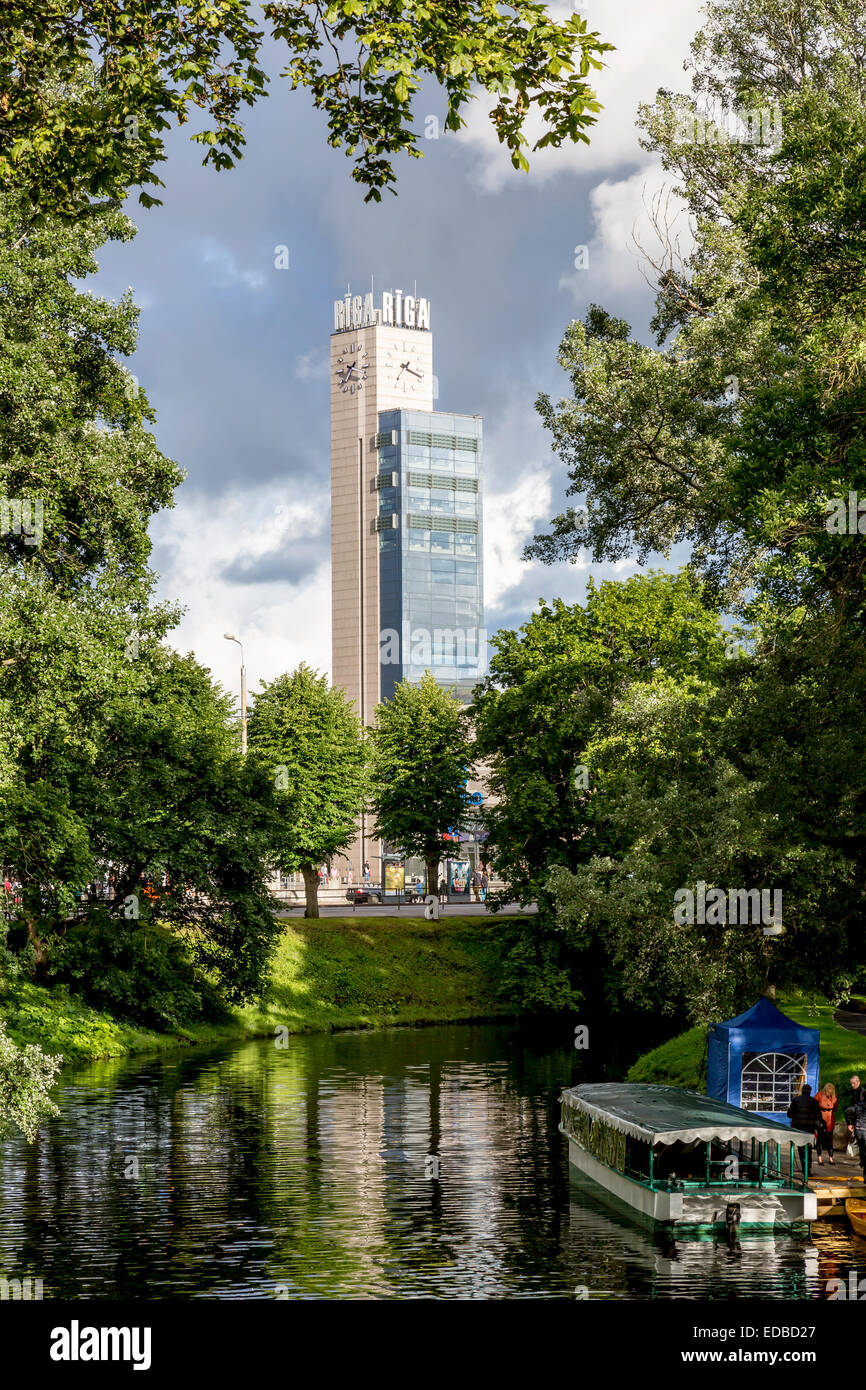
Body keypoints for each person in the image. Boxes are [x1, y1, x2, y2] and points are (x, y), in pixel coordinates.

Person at [787, 1084, 821, 1175]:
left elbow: (789, 1114)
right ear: (810, 1091)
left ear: (802, 1091)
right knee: (808, 1149)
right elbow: (819, 1116)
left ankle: (804, 1168)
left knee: (801, 1148)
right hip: (809, 1128)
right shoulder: (814, 1101)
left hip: (798, 1128)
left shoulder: (796, 1100)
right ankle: (808, 1170)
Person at [846, 1074, 866, 1177]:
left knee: (862, 1146)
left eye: (853, 1083)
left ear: (858, 1082)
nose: (852, 1085)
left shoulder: (861, 1092)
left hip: (860, 1121)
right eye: (851, 1084)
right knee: (861, 1145)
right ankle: (862, 1162)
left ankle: (863, 1163)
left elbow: (855, 1108)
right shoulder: (855, 1092)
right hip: (858, 1121)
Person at [814, 1082, 837, 1166]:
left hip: (830, 1119)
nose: (830, 1093)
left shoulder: (834, 1097)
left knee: (829, 1139)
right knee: (820, 1139)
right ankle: (819, 1157)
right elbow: (814, 1105)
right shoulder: (819, 1095)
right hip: (821, 1119)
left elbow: (835, 1108)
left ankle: (831, 1158)